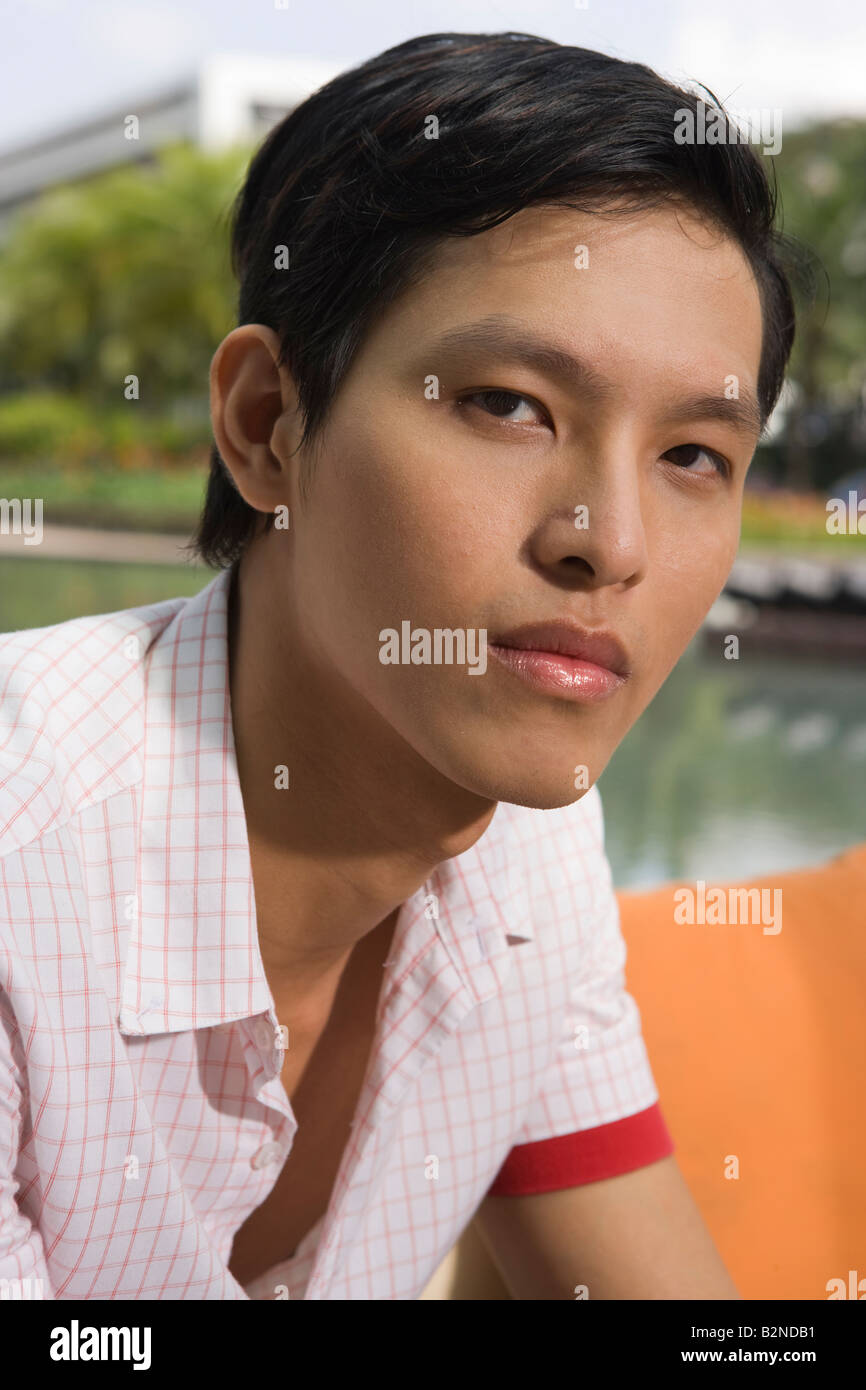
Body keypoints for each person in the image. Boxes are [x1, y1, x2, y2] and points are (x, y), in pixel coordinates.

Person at [0, 31, 799, 1300]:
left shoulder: (530, 859)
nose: (611, 545)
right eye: (506, 404)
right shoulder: (25, 867)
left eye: (693, 455)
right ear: (267, 424)